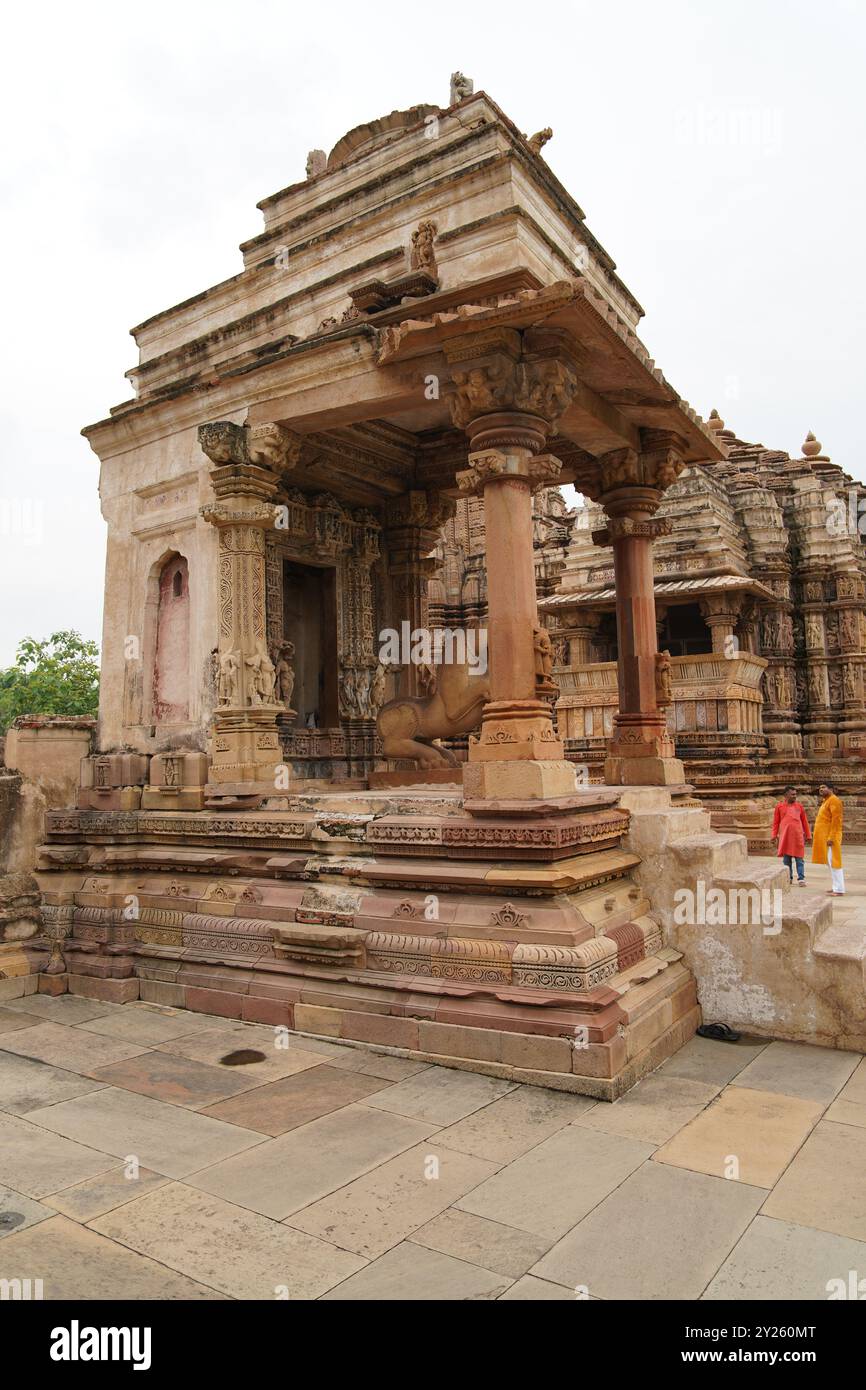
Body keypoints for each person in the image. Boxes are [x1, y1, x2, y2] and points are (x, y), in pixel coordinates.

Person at [771, 786, 811, 886]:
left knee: (799, 859)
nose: (795, 796)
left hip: (798, 836)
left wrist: (808, 835)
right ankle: (789, 878)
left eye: (795, 794)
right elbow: (776, 823)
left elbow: (804, 822)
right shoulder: (779, 807)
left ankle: (801, 878)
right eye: (792, 794)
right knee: (786, 860)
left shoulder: (799, 807)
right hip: (785, 837)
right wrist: (774, 835)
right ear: (786, 795)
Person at [812, 782, 845, 896]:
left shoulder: (834, 800)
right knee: (830, 863)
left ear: (831, 789)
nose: (821, 789)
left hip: (832, 837)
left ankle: (839, 889)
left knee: (834, 862)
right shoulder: (826, 801)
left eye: (824, 787)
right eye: (820, 787)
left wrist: (831, 837)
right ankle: (835, 886)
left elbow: (837, 821)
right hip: (826, 837)